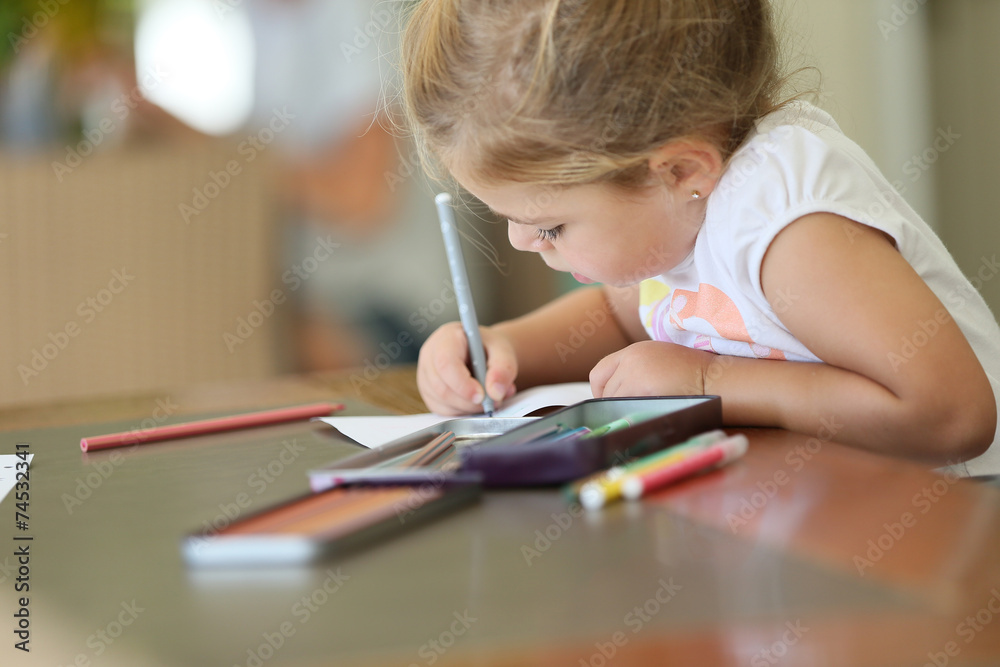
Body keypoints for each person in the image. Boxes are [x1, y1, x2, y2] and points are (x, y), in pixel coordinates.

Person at [401, 0, 1000, 475]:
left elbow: (949, 416)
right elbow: (623, 318)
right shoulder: (675, 213)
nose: (521, 242)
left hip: (958, 538)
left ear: (681, 171)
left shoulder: (786, 225)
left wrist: (708, 382)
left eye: (551, 226)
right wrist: (503, 350)